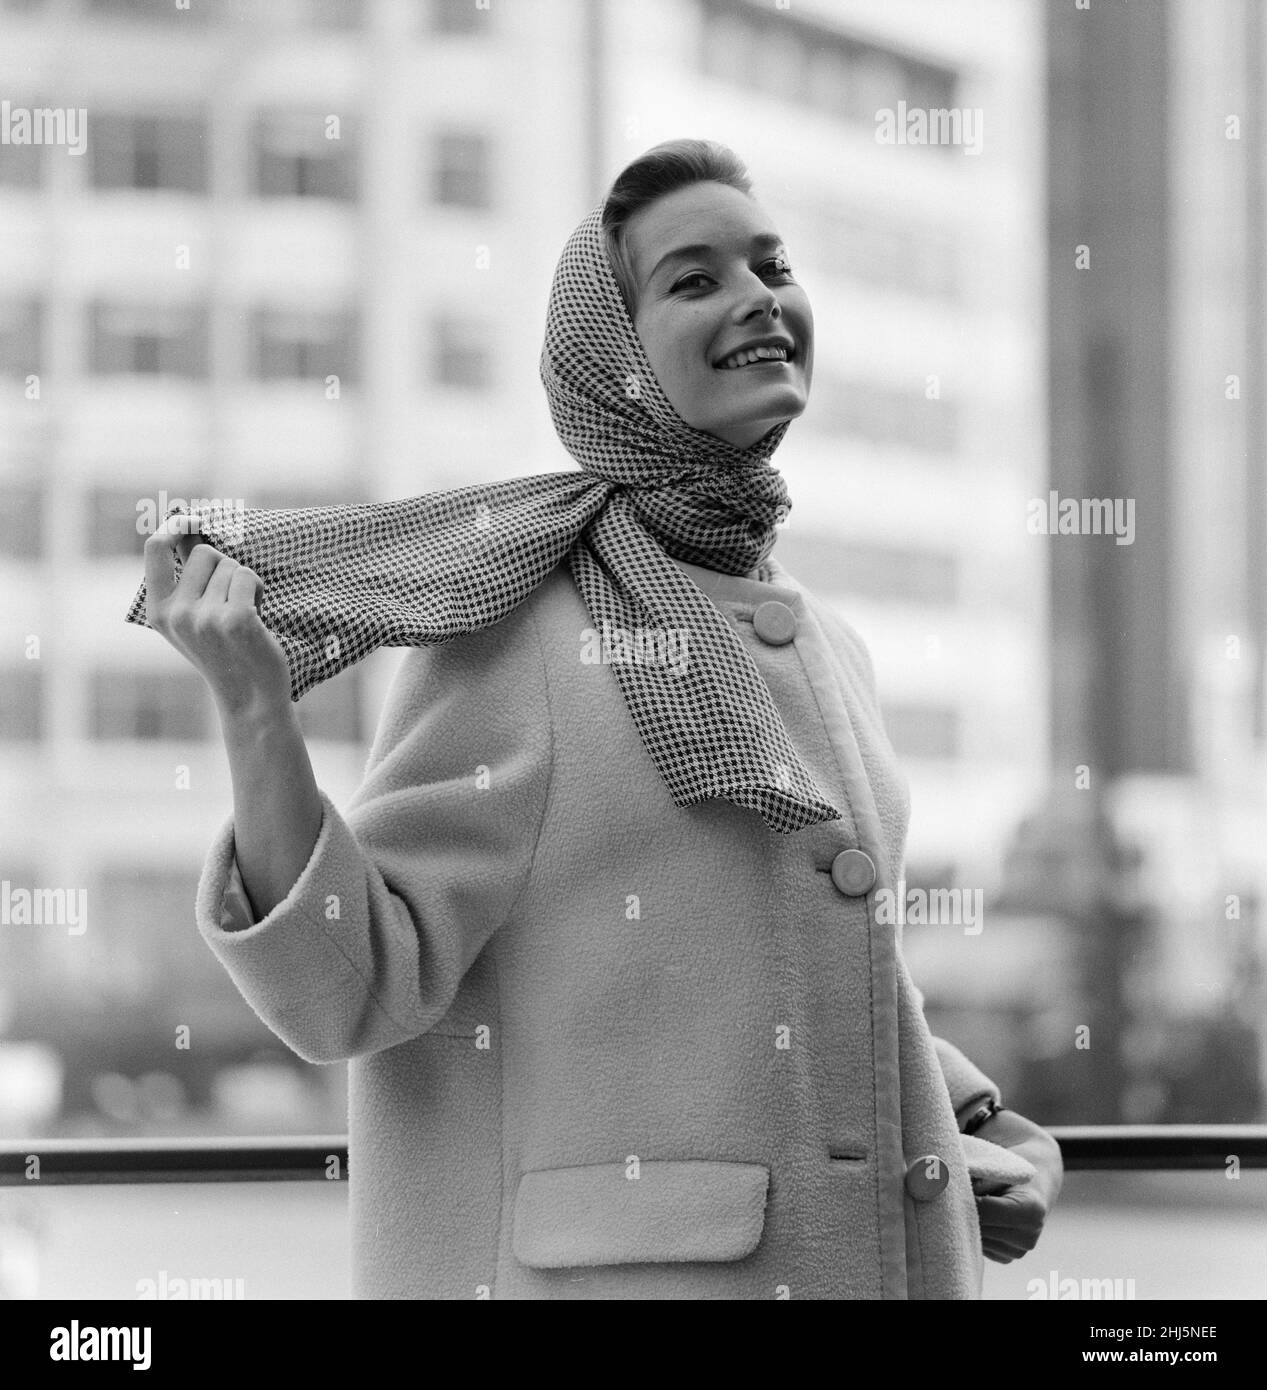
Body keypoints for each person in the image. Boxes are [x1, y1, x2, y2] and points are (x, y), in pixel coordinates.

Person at [132, 138, 1062, 1299]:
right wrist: (251, 706)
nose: (758, 301)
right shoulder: (518, 630)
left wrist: (977, 1120)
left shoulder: (829, 647)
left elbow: (814, 965)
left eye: (770, 265)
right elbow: (351, 986)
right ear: (609, 359)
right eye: (695, 278)